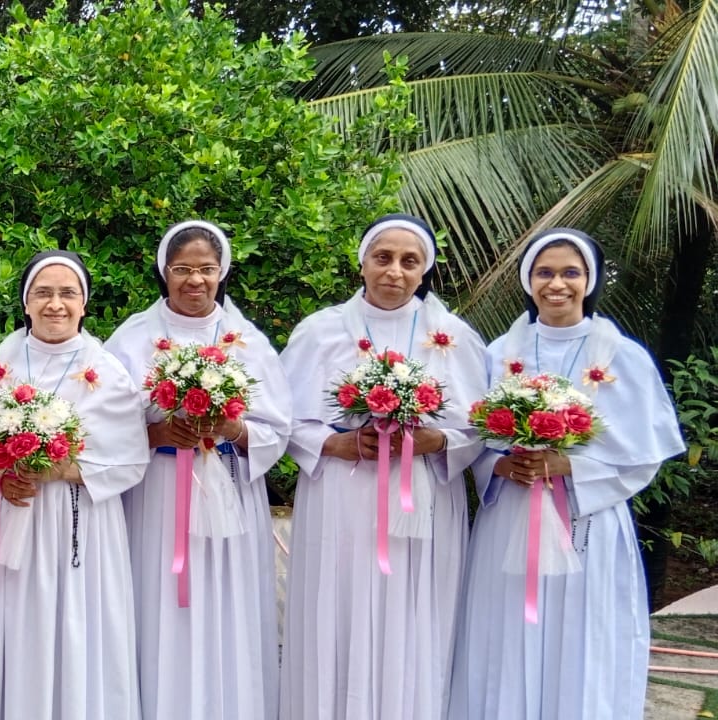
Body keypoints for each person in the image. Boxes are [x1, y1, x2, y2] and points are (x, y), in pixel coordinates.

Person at [450, 229, 682, 719]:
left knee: (582, 633)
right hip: (510, 514)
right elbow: (470, 440)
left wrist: (568, 464)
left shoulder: (624, 357)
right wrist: (502, 465)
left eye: (570, 273)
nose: (557, 284)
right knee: (506, 630)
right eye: (545, 273)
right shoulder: (496, 354)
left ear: (590, 280)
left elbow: (643, 454)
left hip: (588, 523)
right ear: (528, 280)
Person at [278, 213, 488, 720]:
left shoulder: (454, 336)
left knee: (412, 617)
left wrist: (438, 440)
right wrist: (334, 443)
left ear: (425, 270)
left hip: (422, 502)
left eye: (409, 261)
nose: (394, 271)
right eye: (383, 258)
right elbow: (282, 420)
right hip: (341, 498)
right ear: (363, 262)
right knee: (338, 612)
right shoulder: (320, 331)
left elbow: (479, 427)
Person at [107, 222, 292, 719]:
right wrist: (156, 434)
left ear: (222, 272)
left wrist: (233, 428)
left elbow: (278, 425)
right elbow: (101, 425)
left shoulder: (246, 340)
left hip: (227, 488)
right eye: (182, 269)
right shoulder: (133, 337)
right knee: (161, 601)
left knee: (228, 607)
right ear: (164, 272)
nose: (195, 280)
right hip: (158, 493)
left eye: (206, 269)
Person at [0, 250, 150, 720]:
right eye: (43, 293)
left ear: (84, 303)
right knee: (13, 629)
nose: (55, 304)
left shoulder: (108, 372)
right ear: (25, 302)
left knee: (77, 629)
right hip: (10, 511)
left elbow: (130, 458)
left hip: (80, 524)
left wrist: (62, 469)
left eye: (68, 293)